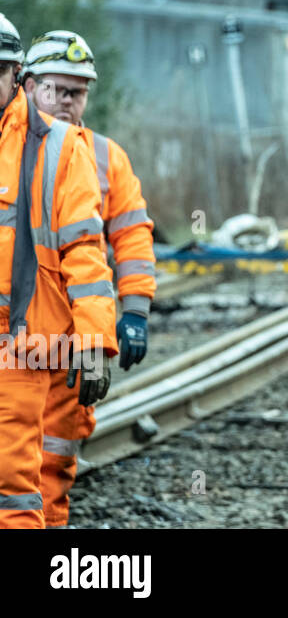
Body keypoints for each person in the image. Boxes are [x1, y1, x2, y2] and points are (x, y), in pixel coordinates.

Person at [21, 31, 155, 527]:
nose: (64, 103)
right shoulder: (10, 147)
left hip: (72, 331)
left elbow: (132, 235)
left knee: (53, 454)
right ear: (27, 85)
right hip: (15, 329)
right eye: (54, 90)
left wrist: (135, 310)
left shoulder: (103, 156)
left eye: (75, 93)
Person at [0, 14, 117, 528]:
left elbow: (87, 254)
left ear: (14, 75)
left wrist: (95, 343)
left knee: (13, 485)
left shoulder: (62, 150)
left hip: (23, 345)